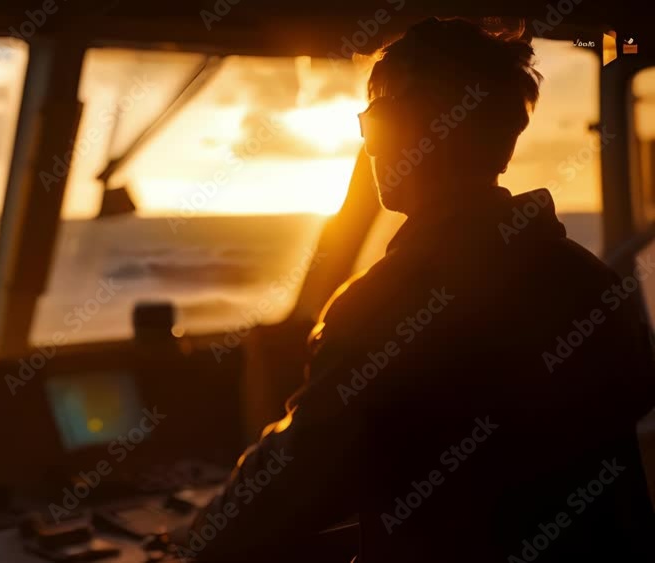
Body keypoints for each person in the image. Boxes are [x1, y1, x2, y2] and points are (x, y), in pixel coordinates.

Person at [185, 18, 655, 562]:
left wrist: (200, 534)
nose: (369, 145)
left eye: (375, 121)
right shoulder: (595, 285)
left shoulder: (383, 308)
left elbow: (296, 484)